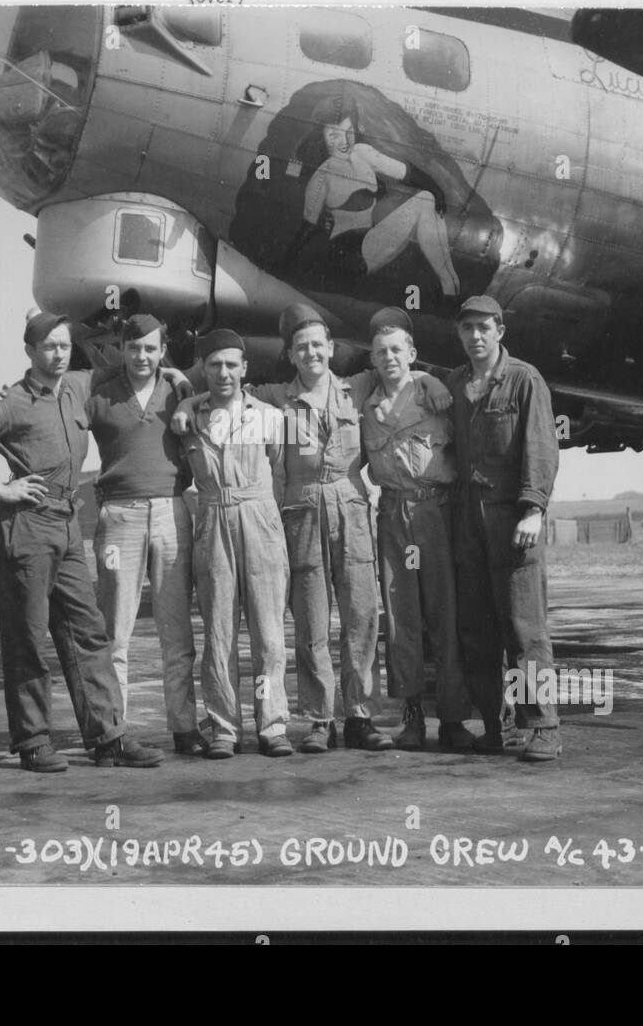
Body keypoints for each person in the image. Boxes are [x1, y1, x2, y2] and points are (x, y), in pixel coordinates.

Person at [172, 303, 452, 753]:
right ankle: (320, 719)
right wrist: (185, 397)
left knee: (362, 615)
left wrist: (432, 379)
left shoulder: (355, 387)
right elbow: (223, 392)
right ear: (289, 354)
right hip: (301, 511)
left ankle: (359, 715)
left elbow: (401, 373)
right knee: (311, 622)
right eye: (301, 347)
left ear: (331, 348)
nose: (311, 353)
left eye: (318, 345)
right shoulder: (276, 397)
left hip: (351, 505)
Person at [0, 311, 163, 772]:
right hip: (27, 525)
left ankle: (108, 739)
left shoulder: (80, 385)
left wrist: (175, 372)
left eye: (65, 346)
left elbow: (134, 364)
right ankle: (33, 741)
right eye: (49, 347)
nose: (59, 354)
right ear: (29, 352)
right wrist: (1, 490)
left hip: (67, 523)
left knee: (88, 632)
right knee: (28, 636)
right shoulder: (10, 402)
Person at [445, 295, 563, 762]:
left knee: (524, 627)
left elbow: (541, 445)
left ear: (500, 331)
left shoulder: (523, 379)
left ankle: (544, 727)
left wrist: (533, 508)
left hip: (512, 519)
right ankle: (495, 725)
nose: (476, 335)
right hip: (466, 519)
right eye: (468, 328)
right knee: (476, 628)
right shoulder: (453, 384)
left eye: (484, 327)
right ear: (460, 334)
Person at [85, 314, 204, 755]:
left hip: (172, 511)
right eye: (133, 348)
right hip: (120, 515)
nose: (142, 356)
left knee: (177, 632)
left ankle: (185, 727)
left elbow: (218, 392)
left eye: (151, 349)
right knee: (116, 633)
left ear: (162, 349)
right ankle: (112, 731)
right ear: (120, 347)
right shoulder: (97, 391)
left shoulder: (178, 390)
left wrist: (182, 381)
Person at [360, 308, 474, 753]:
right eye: (380, 352)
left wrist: (430, 379)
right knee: (401, 619)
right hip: (392, 515)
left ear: (412, 353)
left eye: (396, 350)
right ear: (372, 359)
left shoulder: (435, 396)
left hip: (435, 513)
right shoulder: (365, 406)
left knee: (444, 616)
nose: (389, 358)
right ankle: (411, 718)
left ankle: (452, 718)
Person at [176, 329, 292, 759]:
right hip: (212, 519)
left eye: (231, 365)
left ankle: (273, 725)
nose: (223, 373)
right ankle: (224, 727)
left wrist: (263, 515)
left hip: (259, 518)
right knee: (219, 632)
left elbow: (280, 470)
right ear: (203, 370)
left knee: (268, 632)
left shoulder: (268, 416)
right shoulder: (189, 418)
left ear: (245, 368)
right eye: (214, 365)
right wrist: (185, 400)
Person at [281, 97, 460, 299]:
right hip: (347, 254)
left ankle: (450, 282)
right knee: (426, 199)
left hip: (370, 243)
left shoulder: (362, 153)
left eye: (349, 132)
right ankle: (449, 287)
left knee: (428, 197)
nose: (344, 142)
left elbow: (405, 172)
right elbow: (308, 226)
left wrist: (436, 188)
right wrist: (284, 265)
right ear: (321, 136)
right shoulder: (322, 176)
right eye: (333, 135)